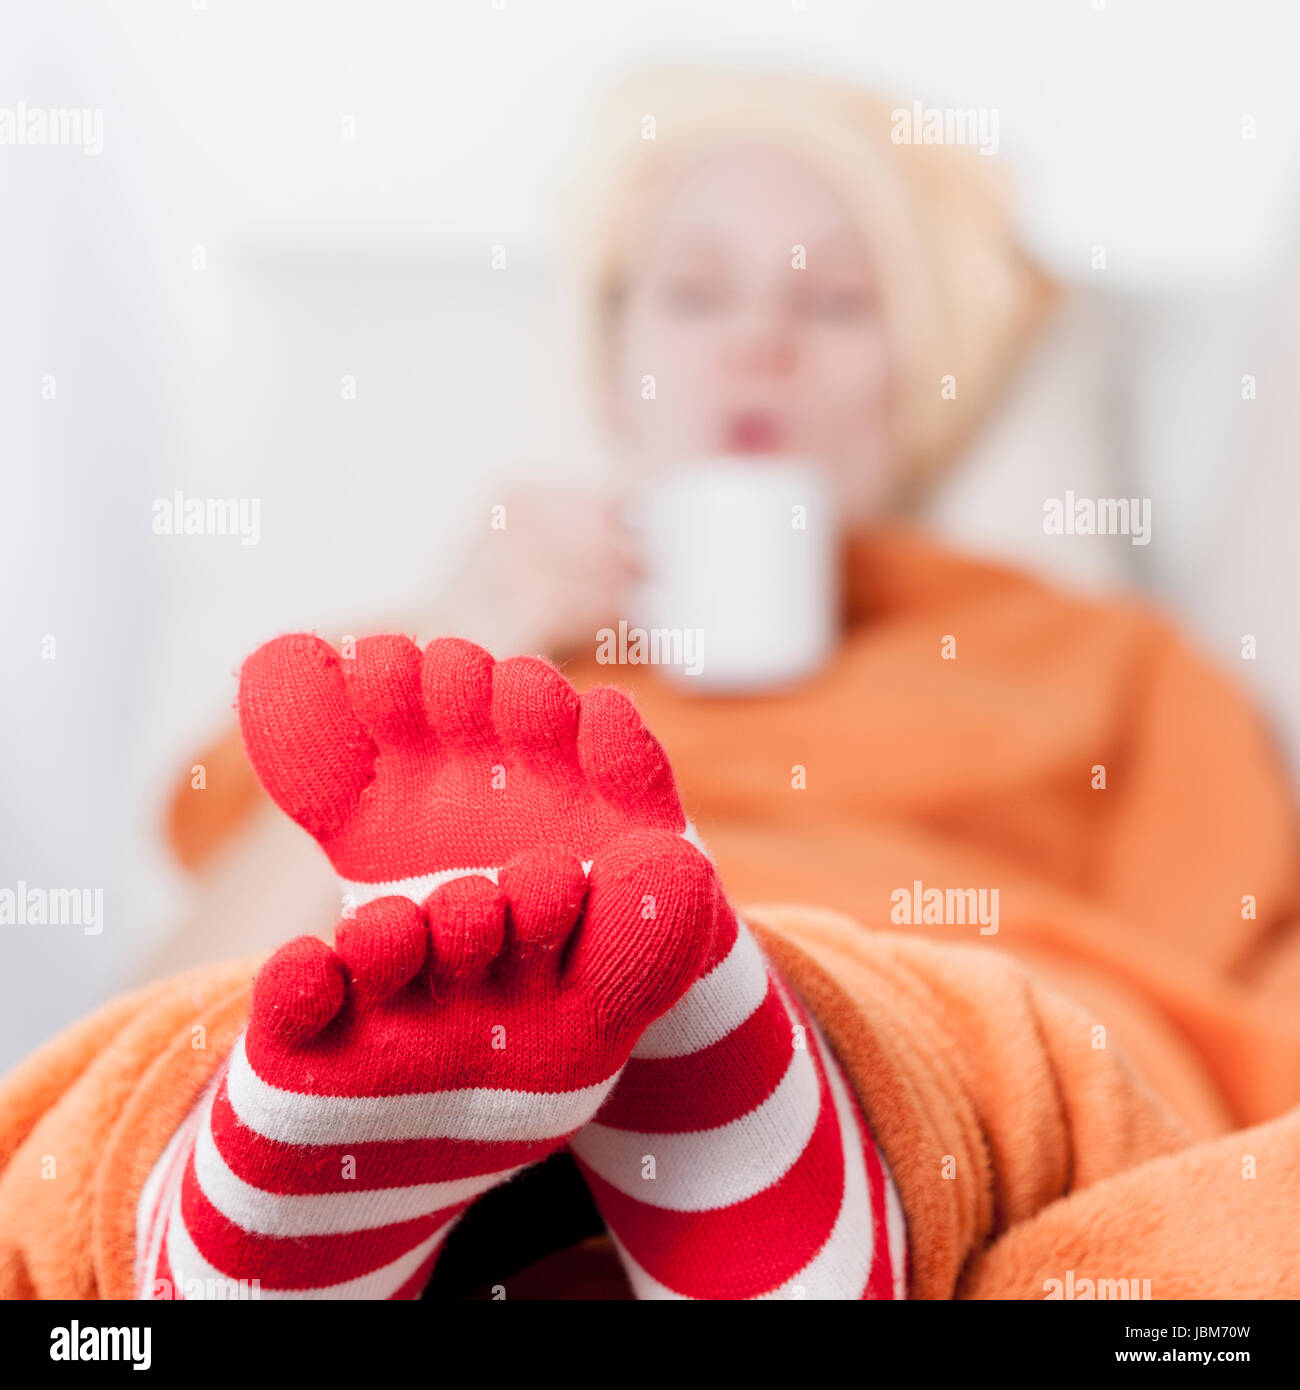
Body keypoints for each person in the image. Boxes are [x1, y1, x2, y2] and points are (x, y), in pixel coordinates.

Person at [3, 69, 1300, 1301]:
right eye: (694, 293)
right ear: (615, 362)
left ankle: (751, 1131)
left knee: (975, 1046)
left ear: (919, 380)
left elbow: (1241, 1028)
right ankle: (587, 1198)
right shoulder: (451, 681)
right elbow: (160, 991)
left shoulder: (1105, 661)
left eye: (837, 301)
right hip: (488, 1074)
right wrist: (482, 620)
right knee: (195, 1064)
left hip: (941, 1054)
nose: (760, 341)